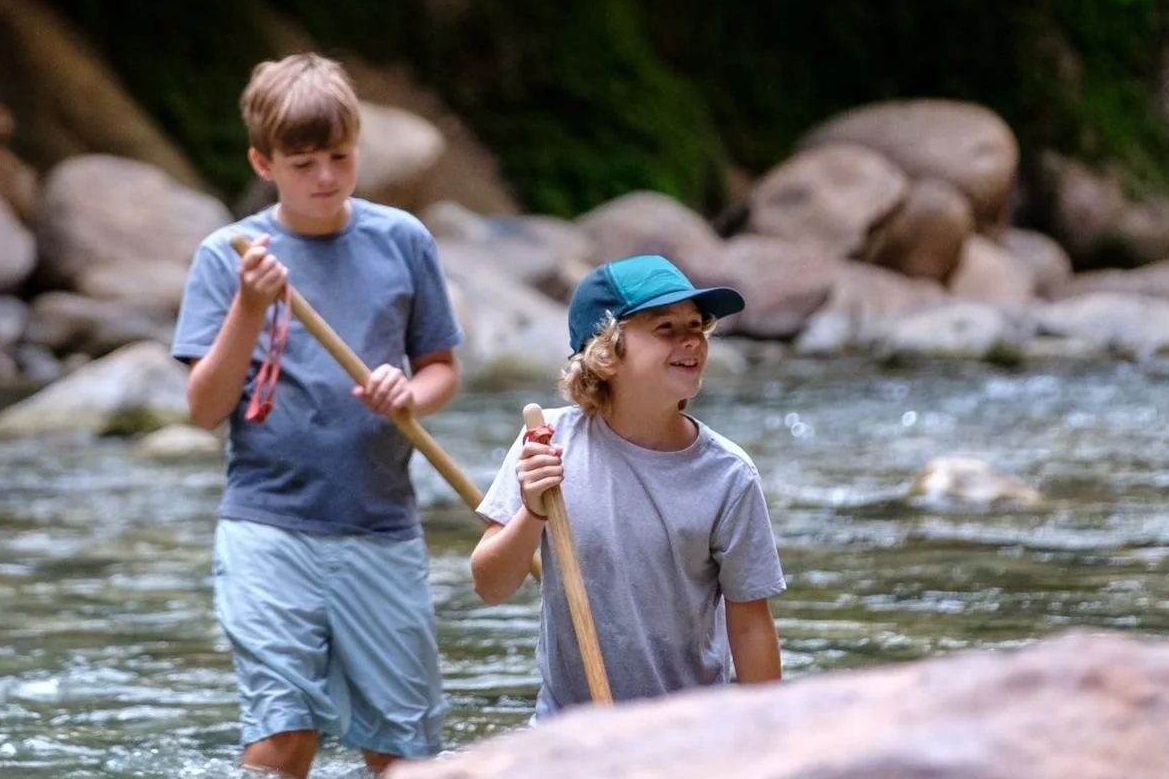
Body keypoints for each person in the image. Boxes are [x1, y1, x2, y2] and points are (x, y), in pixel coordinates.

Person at [172, 53, 463, 776]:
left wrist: (410, 394)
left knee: (400, 753)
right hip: (268, 526)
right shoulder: (229, 256)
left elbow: (441, 370)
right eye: (303, 163)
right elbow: (204, 409)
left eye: (339, 157)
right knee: (283, 739)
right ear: (263, 163)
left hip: (381, 525)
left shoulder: (402, 240)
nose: (326, 178)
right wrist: (248, 305)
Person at [470, 254, 787, 716]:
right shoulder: (546, 441)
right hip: (569, 732)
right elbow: (490, 587)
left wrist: (771, 740)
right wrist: (532, 512)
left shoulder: (728, 475)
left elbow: (750, 625)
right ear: (606, 352)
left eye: (697, 325)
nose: (692, 341)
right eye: (666, 328)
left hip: (685, 735)